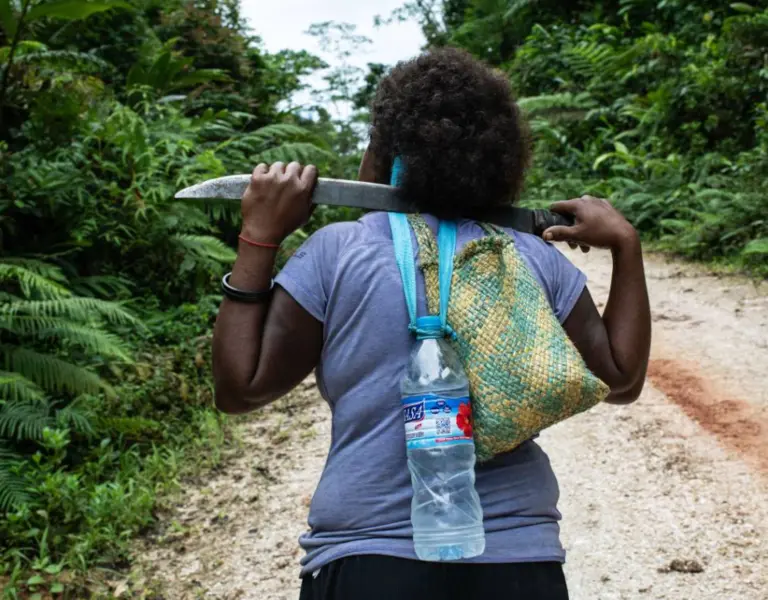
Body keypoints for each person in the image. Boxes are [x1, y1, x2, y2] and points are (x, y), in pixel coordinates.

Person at [212, 48, 651, 600]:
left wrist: (259, 237)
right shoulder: (530, 256)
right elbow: (622, 380)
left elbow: (239, 388)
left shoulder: (336, 253)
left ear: (387, 157)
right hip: (517, 559)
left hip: (367, 558)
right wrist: (626, 244)